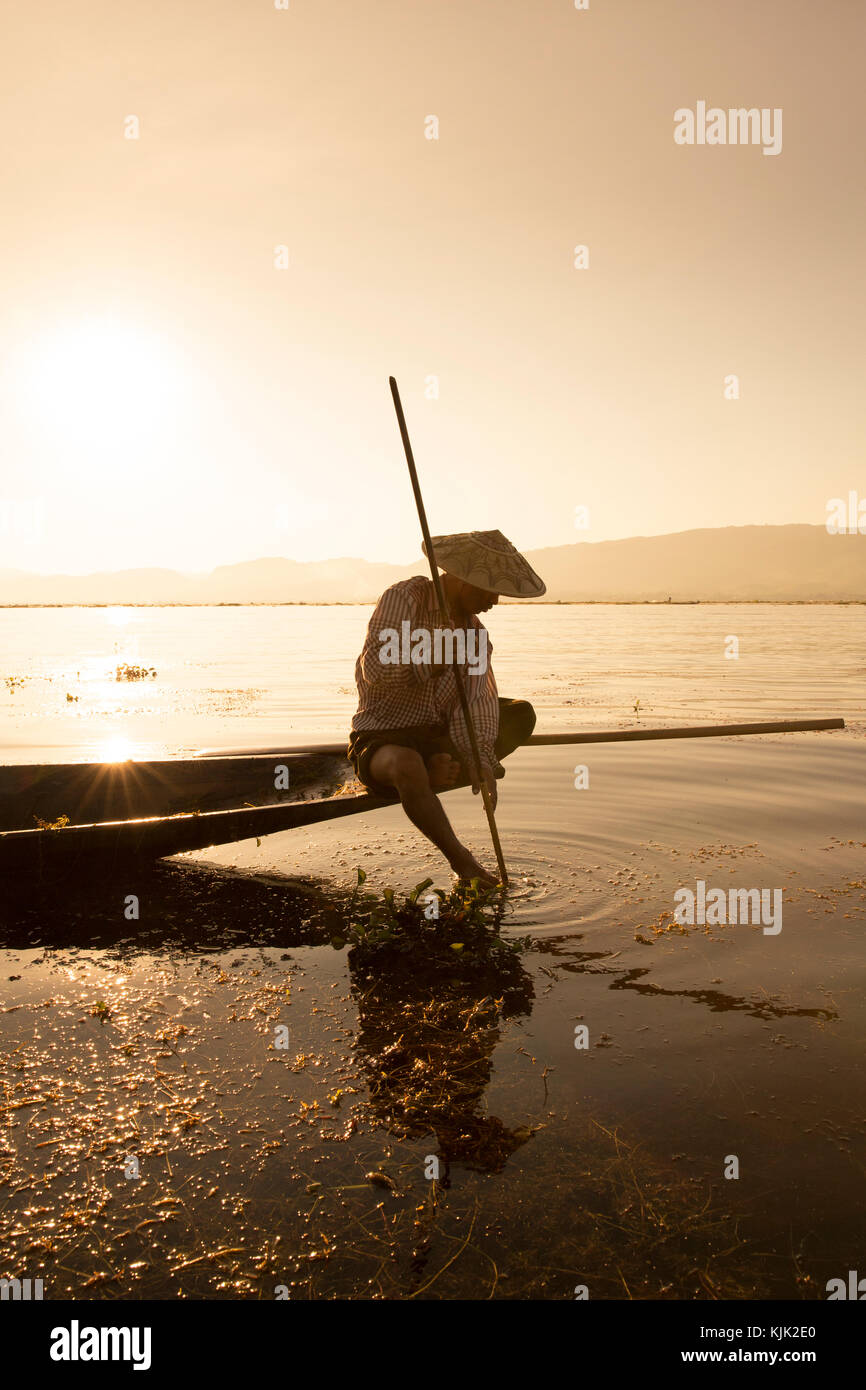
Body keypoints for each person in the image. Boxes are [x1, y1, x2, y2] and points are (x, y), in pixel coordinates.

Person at [347, 529, 545, 885]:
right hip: (384, 736)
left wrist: (482, 761)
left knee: (518, 713)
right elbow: (374, 670)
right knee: (407, 764)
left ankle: (445, 766)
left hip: (435, 733)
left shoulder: (475, 635)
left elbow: (477, 704)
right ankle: (462, 861)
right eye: (489, 590)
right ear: (463, 580)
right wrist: (439, 655)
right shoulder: (405, 597)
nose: (495, 601)